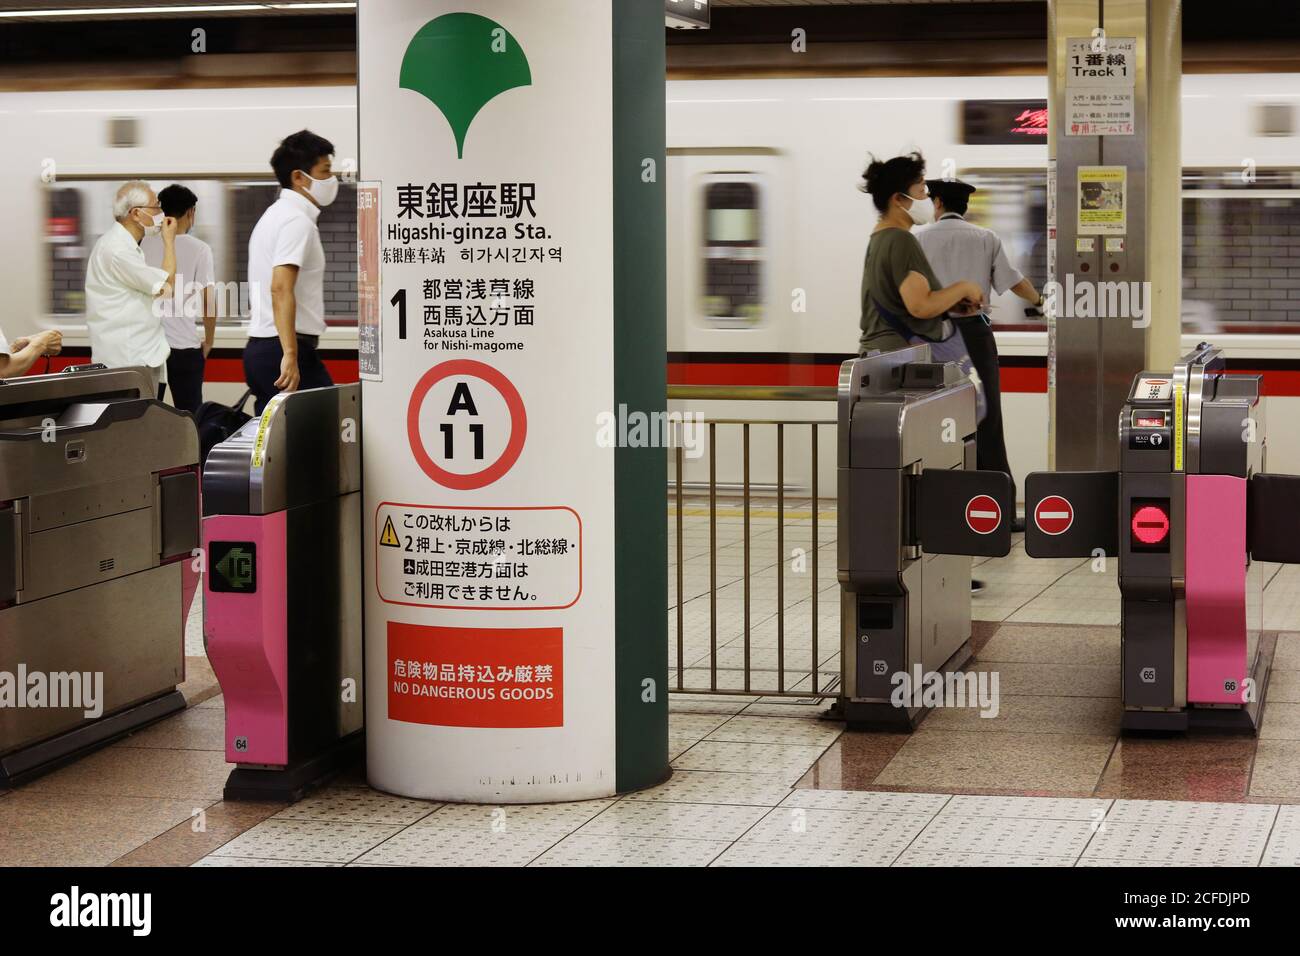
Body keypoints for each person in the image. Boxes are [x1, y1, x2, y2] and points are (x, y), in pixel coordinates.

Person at [915, 177, 1044, 532]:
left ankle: (936, 508)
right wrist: (1039, 302)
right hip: (973, 335)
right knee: (987, 421)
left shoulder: (918, 238)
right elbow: (1014, 280)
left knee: (930, 420)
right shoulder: (985, 238)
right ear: (965, 207)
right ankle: (996, 512)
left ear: (937, 203)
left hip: (933, 337)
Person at [244, 129, 338, 413]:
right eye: (325, 171)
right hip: (283, 348)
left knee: (282, 448)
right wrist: (290, 354)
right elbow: (280, 287)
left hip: (267, 346)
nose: (331, 180)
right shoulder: (295, 220)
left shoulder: (275, 215)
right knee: (324, 428)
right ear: (299, 177)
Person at [857, 152, 984, 355]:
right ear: (898, 199)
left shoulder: (879, 238)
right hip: (897, 358)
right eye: (921, 190)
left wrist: (950, 304)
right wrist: (964, 287)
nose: (927, 198)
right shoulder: (901, 240)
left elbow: (902, 303)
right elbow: (920, 306)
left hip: (880, 355)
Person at [84, 181, 177, 400]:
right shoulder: (117, 250)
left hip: (138, 358)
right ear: (136, 214)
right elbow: (166, 287)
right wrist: (170, 242)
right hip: (129, 361)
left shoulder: (123, 245)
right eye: (156, 208)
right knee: (138, 430)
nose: (162, 215)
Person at [142, 184, 215, 414]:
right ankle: (191, 452)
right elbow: (208, 301)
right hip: (185, 349)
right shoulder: (201, 249)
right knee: (190, 416)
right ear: (191, 212)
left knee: (149, 416)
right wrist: (209, 341)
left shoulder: (143, 244)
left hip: (149, 348)